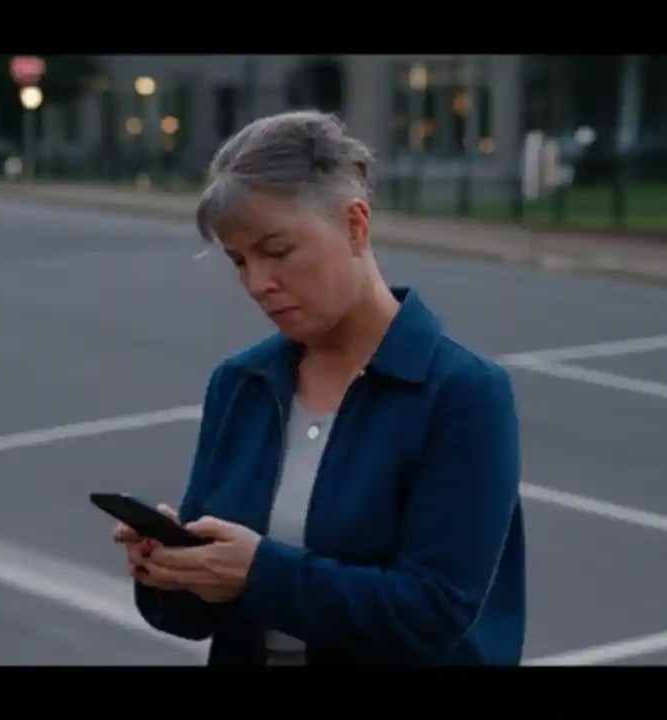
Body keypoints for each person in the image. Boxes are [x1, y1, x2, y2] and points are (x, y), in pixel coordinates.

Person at [111, 109, 525, 666]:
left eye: (278, 252)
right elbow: (202, 616)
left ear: (355, 224)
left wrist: (256, 572)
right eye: (239, 261)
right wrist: (173, 570)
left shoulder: (463, 393)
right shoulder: (240, 383)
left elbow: (435, 612)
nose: (257, 283)